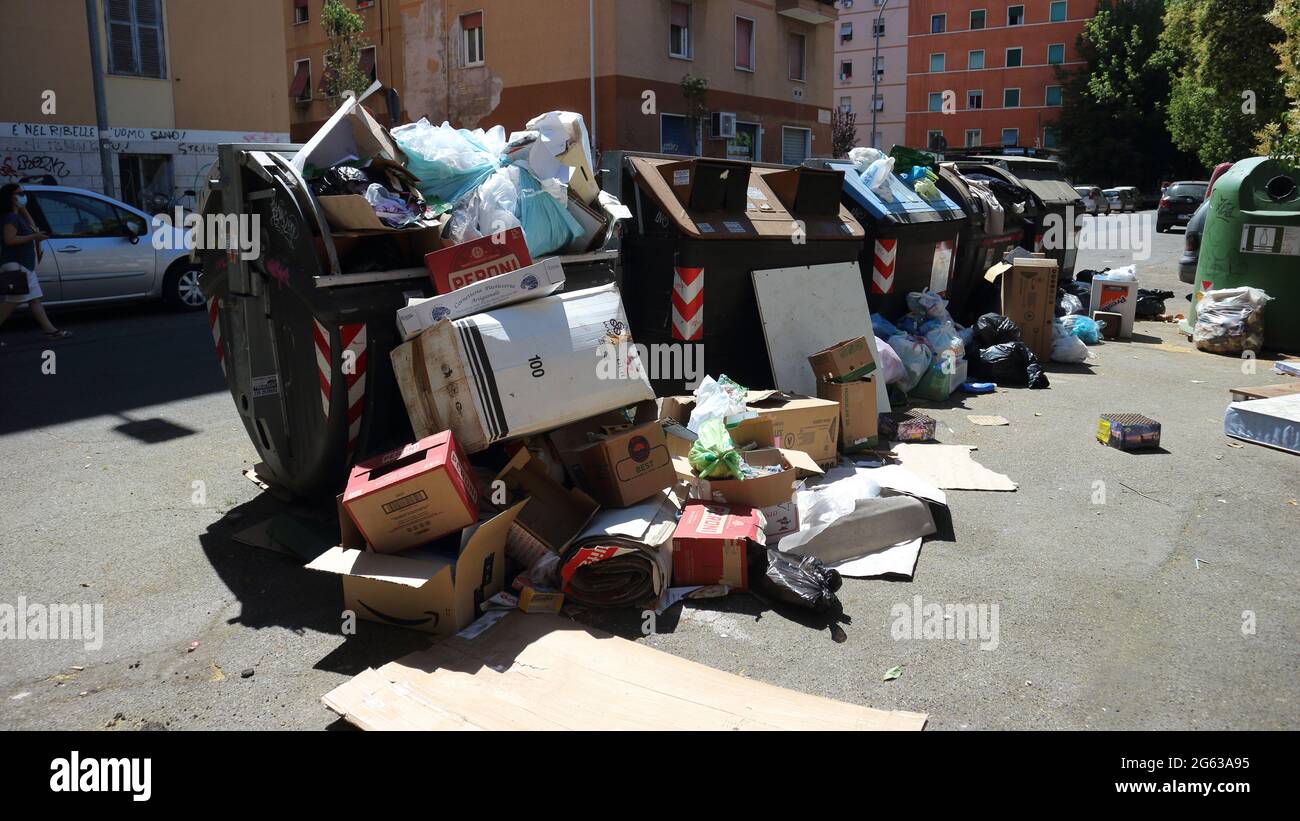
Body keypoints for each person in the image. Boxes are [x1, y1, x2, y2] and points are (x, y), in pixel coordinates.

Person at [0, 182, 70, 341]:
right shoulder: (10, 218)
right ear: (10, 198)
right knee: (13, 302)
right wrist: (34, 237)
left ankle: (50, 331)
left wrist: (24, 209)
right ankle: (51, 331)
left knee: (34, 300)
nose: (23, 196)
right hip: (16, 265)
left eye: (23, 194)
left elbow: (33, 228)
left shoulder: (17, 216)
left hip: (24, 265)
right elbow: (9, 240)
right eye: (18, 194)